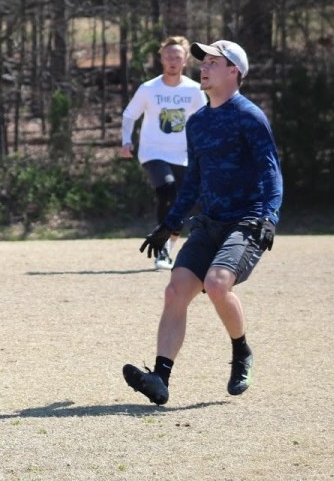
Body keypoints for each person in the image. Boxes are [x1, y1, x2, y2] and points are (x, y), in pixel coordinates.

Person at [122, 39, 282, 406]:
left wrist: (269, 216)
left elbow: (271, 172)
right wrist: (171, 224)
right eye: (204, 61)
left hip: (248, 221)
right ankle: (159, 378)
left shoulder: (250, 117)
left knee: (217, 283)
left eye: (214, 62)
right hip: (209, 221)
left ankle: (241, 352)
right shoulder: (197, 122)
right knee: (175, 290)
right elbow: (194, 177)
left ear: (234, 72)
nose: (204, 67)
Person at [120, 36, 207, 269]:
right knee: (167, 189)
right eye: (168, 56)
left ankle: (166, 250)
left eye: (177, 57)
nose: (172, 61)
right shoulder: (149, 89)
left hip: (184, 155)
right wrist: (126, 141)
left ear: (185, 60)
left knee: (181, 204)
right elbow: (129, 115)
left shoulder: (194, 89)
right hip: (153, 152)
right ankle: (161, 247)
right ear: (161, 58)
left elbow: (205, 120)